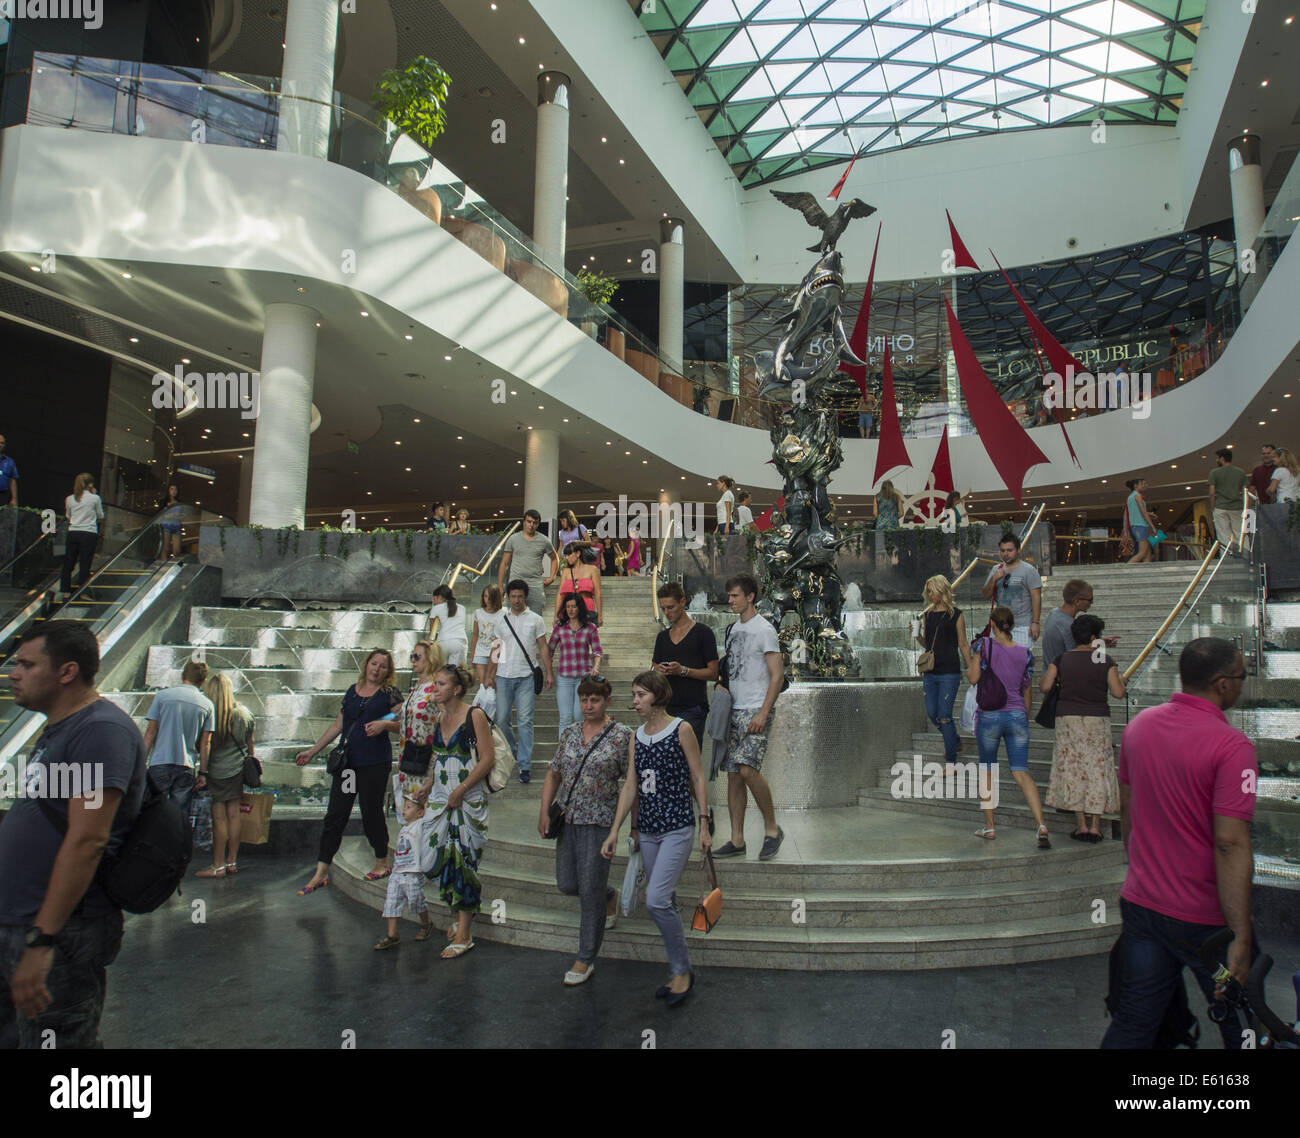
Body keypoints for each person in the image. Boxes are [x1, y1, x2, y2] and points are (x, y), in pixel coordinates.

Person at [1101, 638, 1259, 1049]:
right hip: (1207, 921)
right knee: (1241, 1023)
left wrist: (1139, 873)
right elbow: (1229, 843)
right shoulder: (1233, 747)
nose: (1241, 685)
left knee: (1134, 1022)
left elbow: (1127, 808)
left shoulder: (1140, 727)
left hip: (1143, 907)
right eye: (1241, 677)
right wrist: (1240, 934)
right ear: (1223, 684)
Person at [0, 621, 146, 1048]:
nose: (13, 673)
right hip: (19, 922)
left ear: (66, 672)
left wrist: (41, 941)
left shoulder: (101, 730)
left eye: (27, 664)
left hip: (60, 932)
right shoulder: (57, 730)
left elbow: (88, 840)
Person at [601, 671, 710, 1006]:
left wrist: (705, 823)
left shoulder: (682, 729)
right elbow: (631, 784)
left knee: (656, 899)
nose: (634, 701)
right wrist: (616, 829)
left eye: (640, 695)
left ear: (657, 696)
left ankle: (682, 971)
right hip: (648, 828)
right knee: (666, 900)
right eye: (633, 695)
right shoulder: (636, 736)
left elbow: (697, 775)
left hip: (678, 825)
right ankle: (681, 969)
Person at [539, 675, 633, 985]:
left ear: (607, 701)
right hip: (568, 818)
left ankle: (585, 958)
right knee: (567, 883)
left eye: (594, 700)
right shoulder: (569, 733)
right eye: (584, 700)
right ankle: (609, 894)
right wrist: (544, 811)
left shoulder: (621, 736)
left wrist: (622, 827)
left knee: (588, 892)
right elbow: (554, 773)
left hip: (600, 820)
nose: (588, 705)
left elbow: (631, 784)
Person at [294, 649, 403, 893]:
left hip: (374, 763)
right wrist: (313, 751)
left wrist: (385, 724)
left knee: (371, 811)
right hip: (349, 765)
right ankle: (322, 869)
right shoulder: (353, 691)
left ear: (388, 671)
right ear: (366, 665)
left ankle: (381, 860)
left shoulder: (390, 694)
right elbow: (338, 724)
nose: (376, 669)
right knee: (336, 813)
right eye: (373, 664)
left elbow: (405, 723)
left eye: (382, 666)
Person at [415, 665, 495, 960]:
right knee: (432, 857)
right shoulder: (441, 717)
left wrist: (461, 790)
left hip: (466, 800)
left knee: (463, 861)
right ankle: (459, 915)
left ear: (456, 689)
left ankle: (465, 932)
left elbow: (487, 759)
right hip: (440, 798)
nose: (434, 688)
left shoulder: (474, 715)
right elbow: (440, 757)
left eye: (440, 684)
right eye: (434, 683)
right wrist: (427, 784)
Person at [713, 573, 785, 862]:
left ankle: (772, 829)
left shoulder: (764, 629)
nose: (730, 600)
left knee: (747, 769)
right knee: (733, 775)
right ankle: (737, 839)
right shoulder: (732, 629)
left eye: (735, 596)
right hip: (734, 708)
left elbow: (777, 675)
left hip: (756, 709)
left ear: (750, 597)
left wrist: (764, 712)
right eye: (729, 596)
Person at [965, 605, 1050, 846]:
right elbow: (1027, 690)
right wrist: (1024, 715)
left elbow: (973, 678)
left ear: (992, 624)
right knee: (1021, 771)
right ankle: (1041, 824)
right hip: (1017, 716)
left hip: (990, 716)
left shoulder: (983, 646)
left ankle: (990, 827)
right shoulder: (1025, 654)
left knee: (988, 771)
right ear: (1012, 626)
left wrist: (974, 659)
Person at [1041, 615, 1125, 842]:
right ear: (1094, 637)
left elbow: (1045, 686)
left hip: (1067, 719)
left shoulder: (1061, 659)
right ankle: (1096, 825)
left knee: (1072, 768)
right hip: (1097, 719)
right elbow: (1118, 693)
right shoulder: (1103, 660)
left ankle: (1081, 825)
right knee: (1097, 768)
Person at [486, 580, 554, 783]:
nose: (516, 600)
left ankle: (524, 765)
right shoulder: (501, 620)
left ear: (525, 597)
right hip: (504, 676)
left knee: (525, 721)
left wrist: (549, 671)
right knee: (502, 719)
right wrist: (489, 674)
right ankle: (512, 749)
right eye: (513, 596)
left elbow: (543, 647)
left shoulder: (535, 619)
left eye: (520, 596)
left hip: (526, 677)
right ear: (508, 597)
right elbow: (496, 648)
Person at [196, 672, 255, 878]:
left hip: (216, 772)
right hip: (237, 770)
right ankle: (232, 862)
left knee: (219, 819)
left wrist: (202, 771)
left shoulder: (209, 714)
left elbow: (203, 746)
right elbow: (250, 745)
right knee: (234, 815)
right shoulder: (243, 713)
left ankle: (217, 866)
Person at [652, 581, 720, 751]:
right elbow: (652, 671)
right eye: (663, 608)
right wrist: (658, 671)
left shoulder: (703, 633)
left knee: (690, 762)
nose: (667, 612)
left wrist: (683, 671)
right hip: (665, 708)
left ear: (682, 602)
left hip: (693, 707)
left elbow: (713, 673)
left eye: (670, 607)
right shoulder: (662, 637)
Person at [142, 659, 214, 817]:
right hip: (186, 766)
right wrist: (203, 772)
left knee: (151, 813)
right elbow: (205, 743)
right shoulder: (207, 705)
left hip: (160, 763)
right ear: (203, 681)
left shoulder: (162, 696)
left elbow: (150, 733)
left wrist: (140, 764)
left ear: (182, 675)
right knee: (179, 816)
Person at [381, 639, 446, 810]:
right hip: (408, 757)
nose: (413, 660)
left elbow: (446, 718)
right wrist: (384, 722)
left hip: (425, 759)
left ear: (431, 659)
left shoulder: (435, 688)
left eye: (417, 657)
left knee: (421, 809)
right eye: (412, 656)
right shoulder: (417, 687)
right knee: (410, 812)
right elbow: (404, 718)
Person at [916, 575, 971, 765]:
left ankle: (951, 759)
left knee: (944, 715)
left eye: (932, 590)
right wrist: (916, 636)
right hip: (931, 671)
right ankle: (954, 740)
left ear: (942, 590)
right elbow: (927, 643)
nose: (930, 595)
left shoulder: (956, 614)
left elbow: (963, 644)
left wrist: (971, 666)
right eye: (928, 591)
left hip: (950, 670)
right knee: (932, 712)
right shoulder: (927, 614)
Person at [373, 792, 437, 951]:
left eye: (409, 807)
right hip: (398, 872)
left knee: (416, 900)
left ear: (420, 812)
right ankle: (392, 934)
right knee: (391, 902)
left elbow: (430, 816)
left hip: (413, 872)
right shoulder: (403, 829)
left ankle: (426, 923)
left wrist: (426, 800)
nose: (404, 810)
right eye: (404, 807)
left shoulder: (420, 825)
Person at [549, 595, 603, 735]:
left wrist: (596, 667)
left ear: (580, 608)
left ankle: (579, 750)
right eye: (568, 607)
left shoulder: (590, 628)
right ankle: (563, 753)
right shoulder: (560, 628)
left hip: (583, 678)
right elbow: (549, 650)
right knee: (565, 717)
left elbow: (597, 651)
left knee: (579, 716)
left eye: (574, 606)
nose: (571, 610)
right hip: (564, 677)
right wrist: (548, 672)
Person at [980, 533, 1042, 649]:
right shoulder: (996, 569)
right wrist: (994, 579)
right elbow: (986, 594)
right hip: (1000, 626)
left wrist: (1035, 622)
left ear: (1018, 551)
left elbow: (1036, 597)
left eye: (1010, 550)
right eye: (1003, 551)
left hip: (1023, 625)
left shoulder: (1029, 570)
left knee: (1020, 662)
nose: (1006, 554)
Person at [497, 509, 558, 616]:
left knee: (536, 617)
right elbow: (504, 563)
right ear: (524, 522)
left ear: (538, 524)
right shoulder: (513, 539)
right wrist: (500, 586)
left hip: (535, 584)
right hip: (515, 582)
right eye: (529, 521)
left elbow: (554, 558)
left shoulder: (544, 540)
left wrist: (552, 577)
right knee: (513, 617)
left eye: (534, 523)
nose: (531, 525)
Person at [60, 473, 104, 600]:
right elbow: (100, 515)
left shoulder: (69, 498)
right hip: (88, 533)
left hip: (73, 532)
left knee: (68, 562)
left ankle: (65, 591)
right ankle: (82, 592)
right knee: (85, 563)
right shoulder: (95, 498)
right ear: (90, 484)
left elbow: (68, 515)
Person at [1041, 579, 1093, 669]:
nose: (1091, 603)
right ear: (1077, 602)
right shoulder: (1070, 626)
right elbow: (1076, 656)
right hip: (1062, 678)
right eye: (1090, 600)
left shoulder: (1054, 613)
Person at [1207, 448, 1251, 552]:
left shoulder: (1214, 472)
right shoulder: (1240, 472)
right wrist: (1246, 507)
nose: (1216, 460)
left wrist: (1213, 507)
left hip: (1220, 507)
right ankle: (1246, 555)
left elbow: (1212, 493)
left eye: (1217, 458)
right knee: (1240, 533)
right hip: (1237, 507)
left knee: (1223, 535)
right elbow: (1246, 492)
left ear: (1222, 458)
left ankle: (1227, 557)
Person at [555, 541, 602, 624]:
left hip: (587, 607)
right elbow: (560, 594)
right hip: (569, 609)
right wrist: (556, 615)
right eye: (565, 555)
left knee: (586, 635)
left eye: (569, 554)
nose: (566, 557)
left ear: (578, 554)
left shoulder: (592, 570)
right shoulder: (566, 571)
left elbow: (598, 593)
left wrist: (600, 615)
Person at [469, 584, 504, 689]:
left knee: (490, 681)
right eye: (485, 596)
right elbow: (475, 634)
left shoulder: (503, 614)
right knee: (482, 683)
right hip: (480, 650)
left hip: (496, 651)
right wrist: (473, 654)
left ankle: (494, 702)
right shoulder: (478, 613)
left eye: (490, 596)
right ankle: (484, 703)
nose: (487, 599)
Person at [428, 584, 469, 666]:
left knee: (442, 672)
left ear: (440, 597)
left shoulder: (436, 608)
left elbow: (432, 630)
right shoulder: (462, 608)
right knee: (457, 673)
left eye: (434, 598)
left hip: (443, 641)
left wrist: (434, 639)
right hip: (460, 641)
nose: (433, 601)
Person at [1123, 478, 1156, 564]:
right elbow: (1143, 512)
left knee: (1147, 555)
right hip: (1141, 526)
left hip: (1135, 526)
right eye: (1143, 484)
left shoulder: (1129, 498)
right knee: (1142, 553)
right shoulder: (1137, 496)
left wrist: (1126, 530)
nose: (1145, 485)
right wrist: (1153, 527)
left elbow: (1127, 515)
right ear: (1135, 486)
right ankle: (1123, 570)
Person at [158, 483, 184, 560]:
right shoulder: (164, 502)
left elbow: (182, 515)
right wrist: (171, 515)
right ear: (168, 490)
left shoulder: (179, 502)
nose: (174, 491)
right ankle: (163, 565)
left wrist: (180, 516)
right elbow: (160, 515)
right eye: (172, 489)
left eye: (175, 489)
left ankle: (174, 566)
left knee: (177, 550)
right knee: (165, 547)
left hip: (176, 526)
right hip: (166, 526)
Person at [0, 432, 17, 506]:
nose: (0, 445)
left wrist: (14, 498)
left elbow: (12, 481)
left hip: (3, 497)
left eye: (2, 443)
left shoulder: (10, 462)